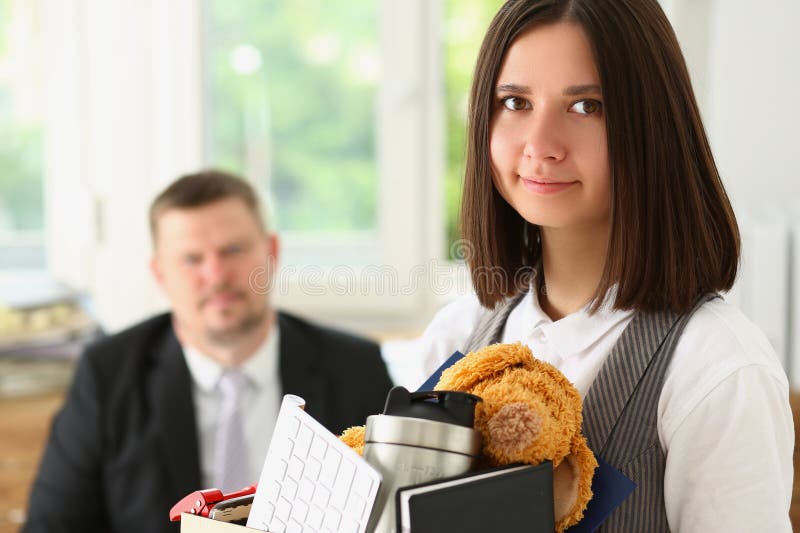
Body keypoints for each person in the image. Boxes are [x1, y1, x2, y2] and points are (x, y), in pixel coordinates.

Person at [383, 1, 793, 531]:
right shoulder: (457, 335)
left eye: (587, 107)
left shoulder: (718, 368)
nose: (541, 145)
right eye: (515, 101)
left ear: (654, 127)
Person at [24, 170, 394, 533]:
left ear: (273, 253)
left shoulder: (355, 368)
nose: (216, 274)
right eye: (191, 259)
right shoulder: (106, 376)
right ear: (160, 275)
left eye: (233, 250)